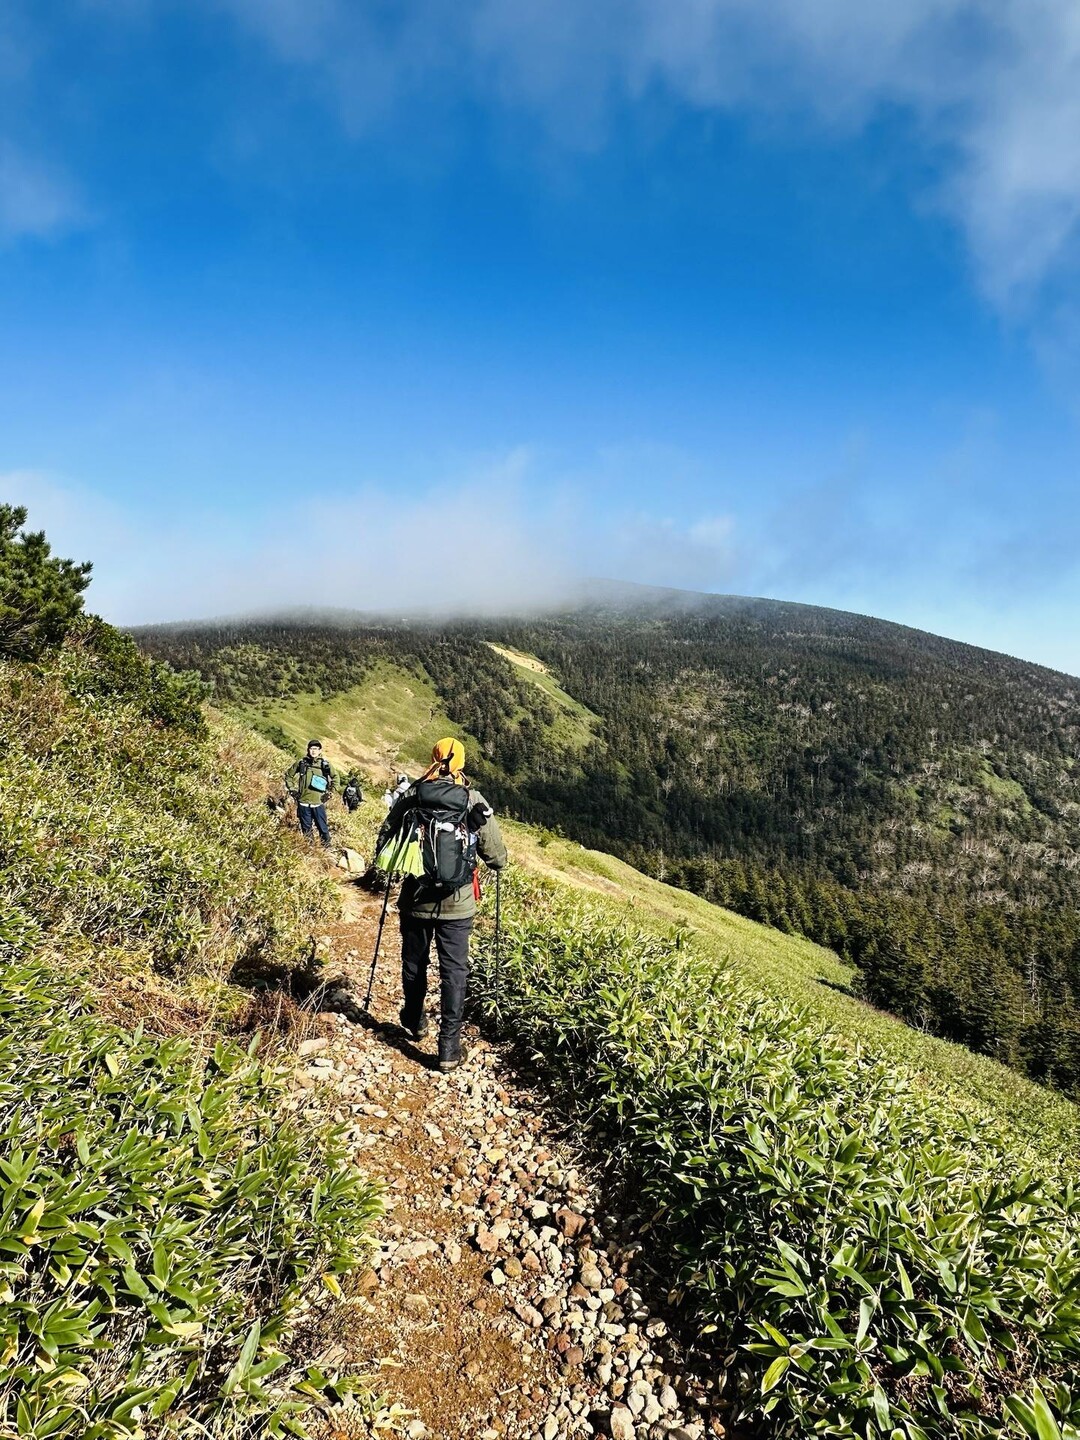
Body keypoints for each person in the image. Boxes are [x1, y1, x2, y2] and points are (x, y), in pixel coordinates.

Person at [375, 738, 506, 1073]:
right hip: (458, 904)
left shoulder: (414, 795)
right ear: (461, 762)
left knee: (414, 961)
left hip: (415, 899)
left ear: (433, 758)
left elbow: (385, 838)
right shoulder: (472, 799)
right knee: (454, 972)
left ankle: (415, 1020)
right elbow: (495, 854)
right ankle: (448, 1047)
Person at [285, 740, 336, 848]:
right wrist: (292, 790)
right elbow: (289, 776)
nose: (313, 751)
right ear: (308, 749)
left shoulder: (325, 764)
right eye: (311, 748)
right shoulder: (301, 763)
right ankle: (310, 849)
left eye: (316, 749)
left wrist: (330, 792)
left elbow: (336, 777)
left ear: (320, 751)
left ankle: (327, 849)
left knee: (323, 828)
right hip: (303, 802)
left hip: (318, 802)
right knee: (306, 828)